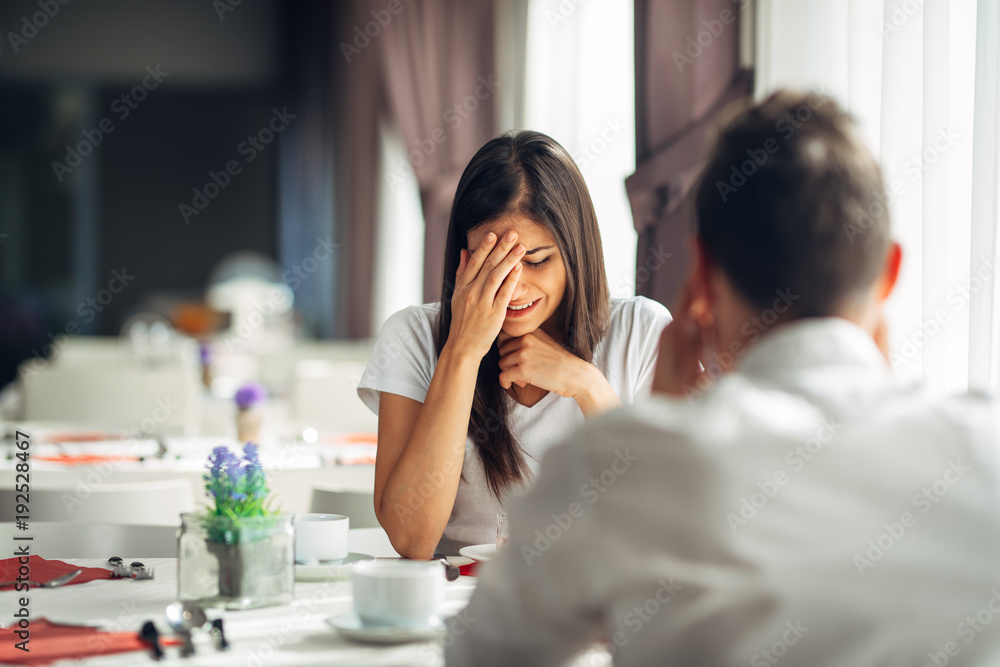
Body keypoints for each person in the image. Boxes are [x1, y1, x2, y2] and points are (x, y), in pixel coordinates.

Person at [445, 91, 1000, 666]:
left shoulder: (624, 461)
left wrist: (651, 435)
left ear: (703, 276)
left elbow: (479, 655)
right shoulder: (986, 450)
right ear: (890, 271)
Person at [358, 130, 672, 559]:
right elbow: (411, 539)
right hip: (463, 598)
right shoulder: (413, 336)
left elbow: (670, 518)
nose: (515, 288)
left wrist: (587, 385)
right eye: (492, 264)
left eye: (537, 261)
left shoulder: (641, 331)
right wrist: (462, 352)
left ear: (576, 251)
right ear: (463, 257)